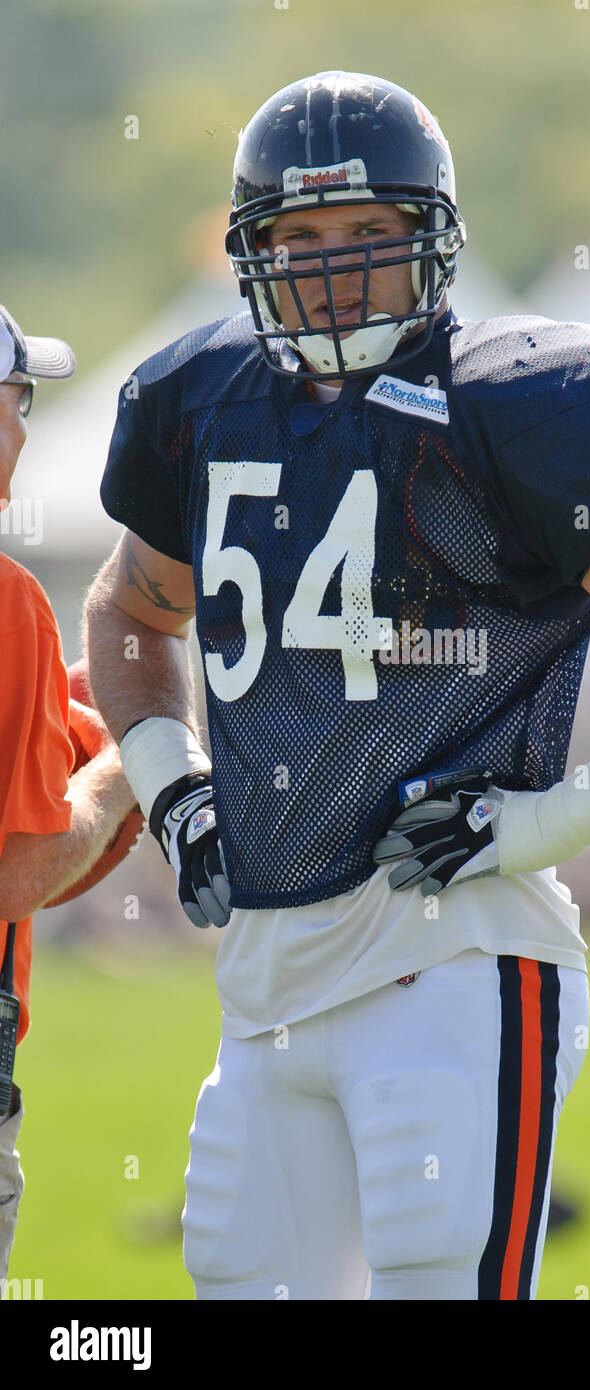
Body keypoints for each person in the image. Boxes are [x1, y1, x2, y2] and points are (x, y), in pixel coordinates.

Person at [84, 72, 590, 1301]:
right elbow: (126, 611)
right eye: (300, 238)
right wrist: (171, 786)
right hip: (263, 980)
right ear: (252, 253)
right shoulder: (198, 402)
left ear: (430, 236)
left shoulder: (507, 401)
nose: (332, 269)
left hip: (453, 958)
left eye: (367, 232)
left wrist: (540, 825)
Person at [0, 306, 138, 1281]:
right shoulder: (9, 602)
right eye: (19, 402)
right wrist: (123, 764)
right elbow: (17, 874)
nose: (22, 429)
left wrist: (62, 720)